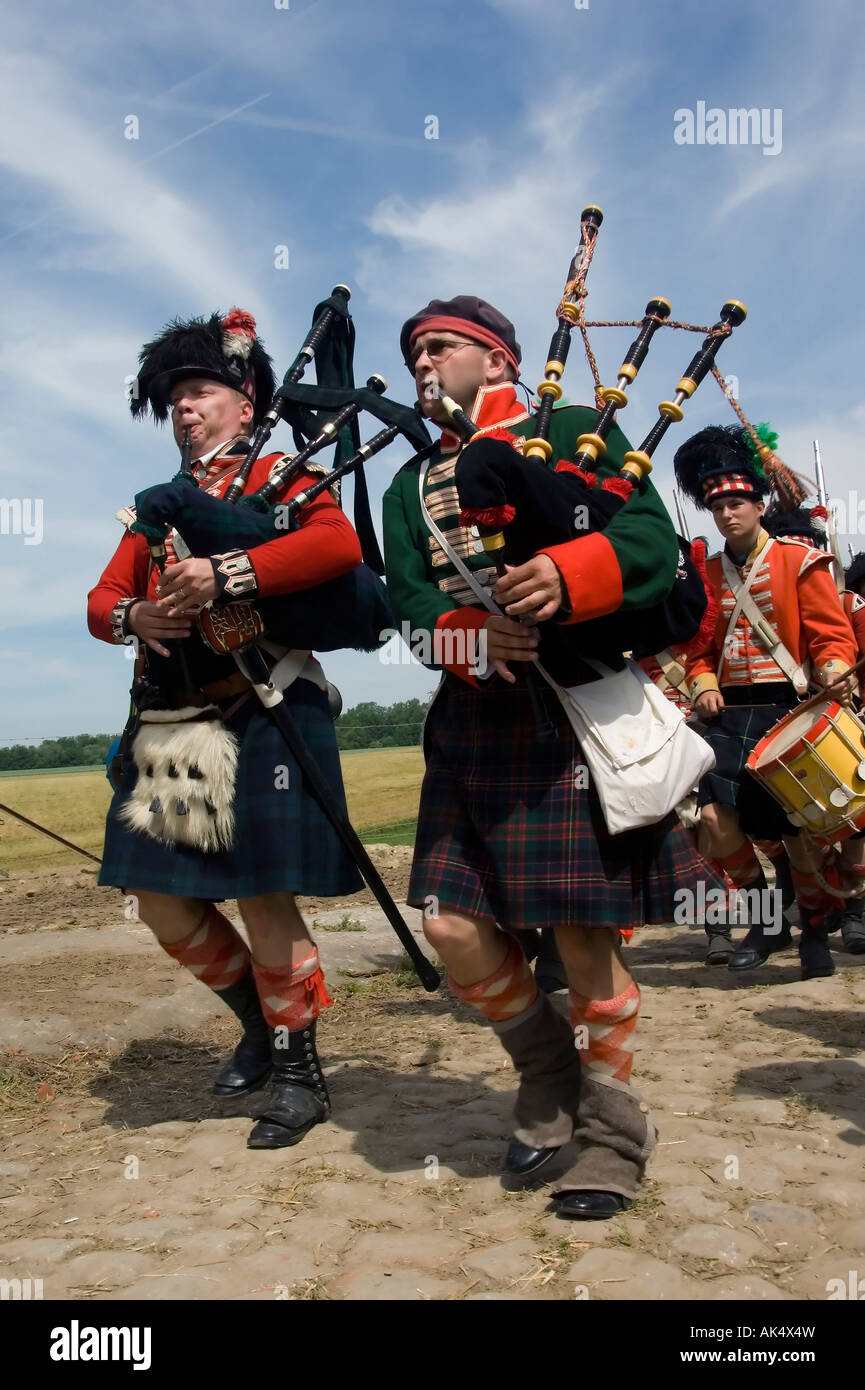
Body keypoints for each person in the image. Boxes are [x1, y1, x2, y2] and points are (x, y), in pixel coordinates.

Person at [382, 295, 727, 1219]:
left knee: (582, 937)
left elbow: (650, 543)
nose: (421, 361)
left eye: (441, 346)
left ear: (496, 360)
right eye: (413, 351)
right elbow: (412, 615)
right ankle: (546, 1077)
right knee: (453, 930)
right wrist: (471, 640)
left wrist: (569, 576)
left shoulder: (579, 428)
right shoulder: (408, 486)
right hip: (476, 721)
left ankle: (614, 1135)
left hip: (576, 706)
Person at [88, 308, 364, 1149]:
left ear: (247, 402)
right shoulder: (161, 507)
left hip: (265, 701)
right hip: (176, 720)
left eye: (200, 390)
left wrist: (228, 570)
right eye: (172, 396)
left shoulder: (285, 475)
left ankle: (297, 1075)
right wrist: (138, 613)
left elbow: (337, 548)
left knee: (261, 898)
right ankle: (258, 1022)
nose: (183, 407)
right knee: (163, 902)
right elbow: (100, 605)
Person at [674, 426, 858, 981]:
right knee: (714, 820)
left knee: (799, 835)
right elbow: (697, 648)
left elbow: (831, 635)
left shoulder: (800, 562)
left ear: (757, 504)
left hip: (791, 706)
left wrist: (833, 667)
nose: (728, 515)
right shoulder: (706, 574)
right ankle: (765, 917)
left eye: (736, 503)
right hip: (728, 713)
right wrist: (703, 680)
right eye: (718, 507)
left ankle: (815, 934)